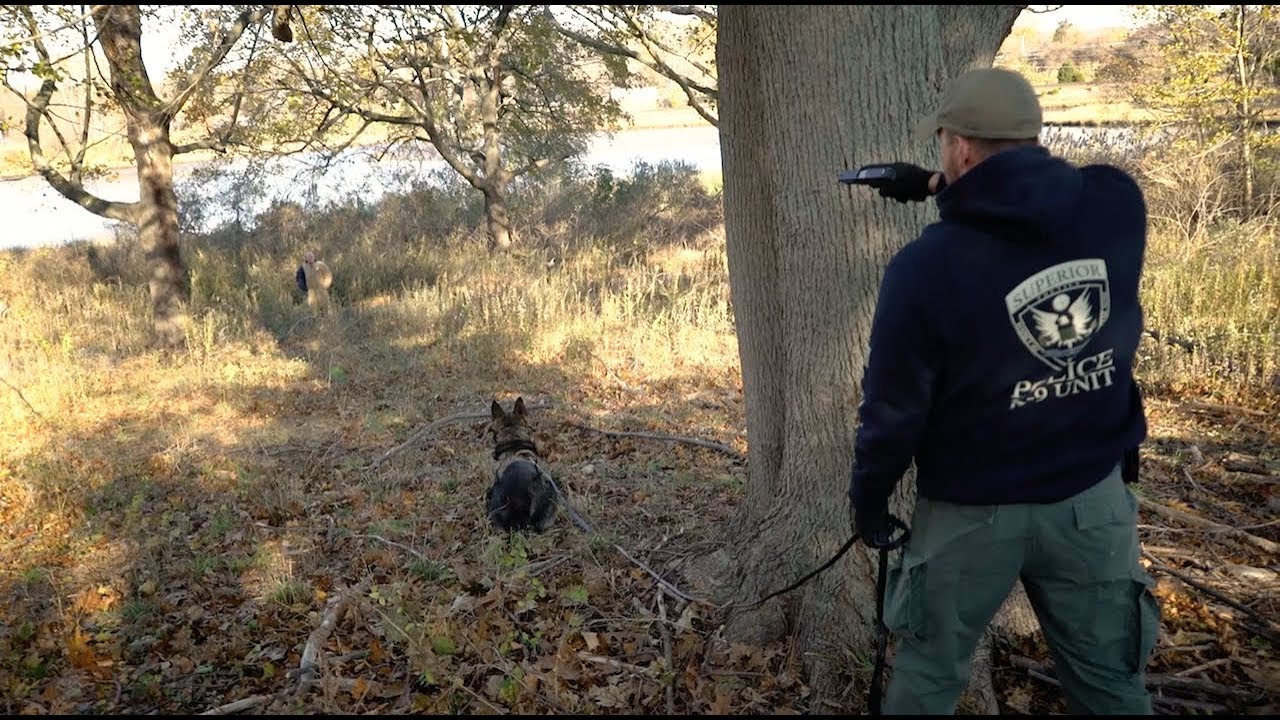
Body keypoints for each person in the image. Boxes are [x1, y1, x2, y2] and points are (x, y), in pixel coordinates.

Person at [846, 67, 1160, 715]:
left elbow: (892, 413)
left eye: (946, 147)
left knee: (930, 677)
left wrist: (869, 501)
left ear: (959, 146)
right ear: (1032, 133)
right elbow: (1045, 193)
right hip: (1092, 504)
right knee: (1109, 685)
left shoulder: (924, 269)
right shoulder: (1116, 203)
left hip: (970, 513)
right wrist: (936, 187)